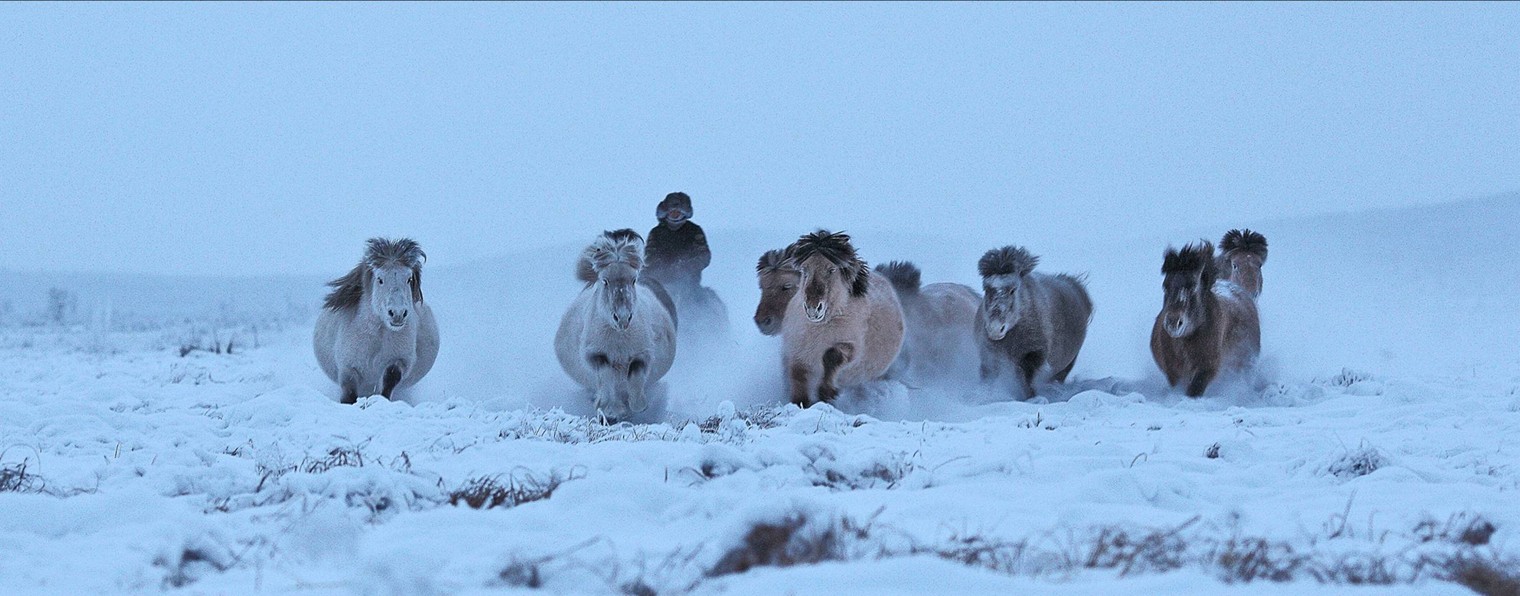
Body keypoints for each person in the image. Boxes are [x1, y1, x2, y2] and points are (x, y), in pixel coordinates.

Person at [644, 192, 711, 293]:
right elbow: (649, 255)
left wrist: (686, 267)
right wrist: (660, 268)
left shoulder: (694, 230)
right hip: (660, 283)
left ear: (685, 213)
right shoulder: (656, 232)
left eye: (678, 213)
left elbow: (704, 255)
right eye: (672, 213)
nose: (675, 216)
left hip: (688, 283)